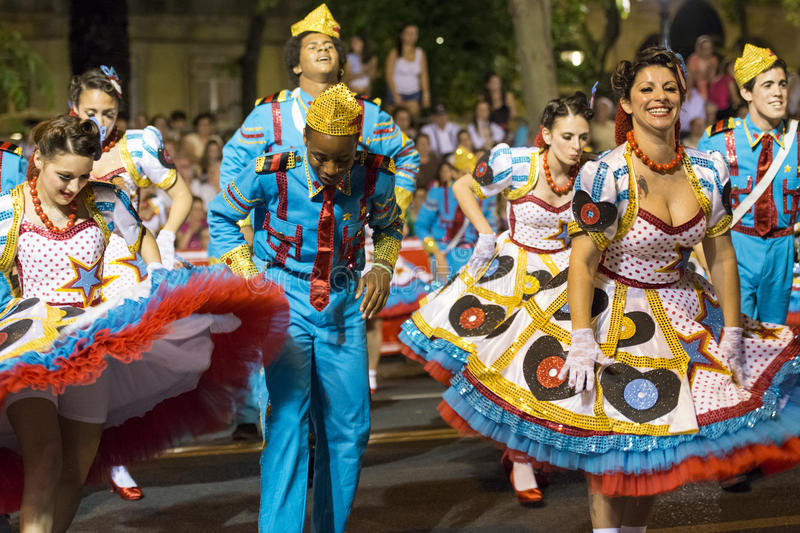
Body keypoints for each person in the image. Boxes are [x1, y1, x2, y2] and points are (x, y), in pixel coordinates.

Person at [419, 46, 800, 532]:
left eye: (669, 88)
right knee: (610, 451)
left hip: (680, 312)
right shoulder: (605, 174)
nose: (659, 97)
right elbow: (581, 260)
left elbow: (722, 253)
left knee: (657, 449)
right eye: (646, 89)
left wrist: (729, 330)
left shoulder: (709, 169)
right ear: (626, 104)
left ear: (684, 96)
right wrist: (580, 339)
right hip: (607, 315)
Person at [0, 114, 288, 532]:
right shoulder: (9, 212)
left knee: (75, 471)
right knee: (44, 456)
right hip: (32, 348)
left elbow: (143, 239)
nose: (73, 188)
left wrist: (155, 278)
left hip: (90, 344)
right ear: (39, 159)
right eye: (64, 176)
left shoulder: (106, 200)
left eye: (83, 177)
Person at [219, 2, 419, 438]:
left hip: (338, 262)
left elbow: (406, 157)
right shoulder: (268, 116)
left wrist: (384, 205)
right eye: (314, 45)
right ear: (296, 63)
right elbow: (234, 167)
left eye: (330, 45)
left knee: (336, 385)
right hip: (279, 255)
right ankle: (275, 434)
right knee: (280, 370)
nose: (324, 51)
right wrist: (246, 219)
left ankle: (321, 447)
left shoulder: (369, 114)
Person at [209, 83, 403, 533]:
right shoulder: (271, 172)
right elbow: (220, 219)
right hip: (281, 296)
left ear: (359, 146)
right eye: (321, 158)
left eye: (343, 159)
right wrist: (249, 275)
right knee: (287, 423)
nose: (332, 170)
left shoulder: (376, 175)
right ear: (305, 142)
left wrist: (383, 268)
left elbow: (390, 226)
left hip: (342, 301)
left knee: (350, 430)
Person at [401, 92, 592, 504]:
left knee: (552, 366)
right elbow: (463, 185)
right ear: (546, 135)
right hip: (515, 274)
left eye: (582, 137)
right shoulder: (517, 162)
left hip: (563, 278)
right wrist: (485, 234)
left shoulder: (590, 175)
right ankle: (521, 457)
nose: (576, 146)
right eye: (567, 136)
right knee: (513, 370)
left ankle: (529, 449)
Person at [66, 66, 195, 499]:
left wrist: (167, 236)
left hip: (122, 261)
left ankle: (116, 456)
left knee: (115, 358)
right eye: (90, 111)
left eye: (108, 111)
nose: (99, 120)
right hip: (68, 264)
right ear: (73, 108)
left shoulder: (138, 147)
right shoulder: (57, 145)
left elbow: (182, 195)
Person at [698, 44, 797, 324]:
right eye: (767, 85)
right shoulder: (717, 140)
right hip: (736, 245)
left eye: (781, 84)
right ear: (746, 92)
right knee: (736, 334)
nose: (777, 92)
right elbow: (701, 206)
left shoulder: (797, 139)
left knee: (774, 336)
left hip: (783, 250)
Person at [415, 161, 496, 281]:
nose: (469, 178)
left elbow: (491, 230)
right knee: (441, 296)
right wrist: (436, 252)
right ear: (454, 173)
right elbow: (420, 226)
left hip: (474, 256)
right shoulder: (438, 194)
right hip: (442, 253)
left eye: (471, 174)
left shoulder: (486, 198)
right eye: (464, 173)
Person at [385, 23, 430, 118]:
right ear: (402, 35)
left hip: (413, 94)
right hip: (395, 94)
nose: (411, 36)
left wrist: (426, 94)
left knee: (413, 120)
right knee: (393, 122)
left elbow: (424, 75)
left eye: (414, 33)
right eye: (409, 33)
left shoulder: (420, 53)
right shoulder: (394, 53)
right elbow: (389, 75)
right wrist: (395, 95)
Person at [687, 35, 718, 99]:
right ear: (700, 49)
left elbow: (711, 78)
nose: (708, 51)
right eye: (705, 48)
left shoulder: (713, 60)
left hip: (708, 87)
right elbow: (691, 76)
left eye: (710, 48)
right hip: (694, 87)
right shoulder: (693, 59)